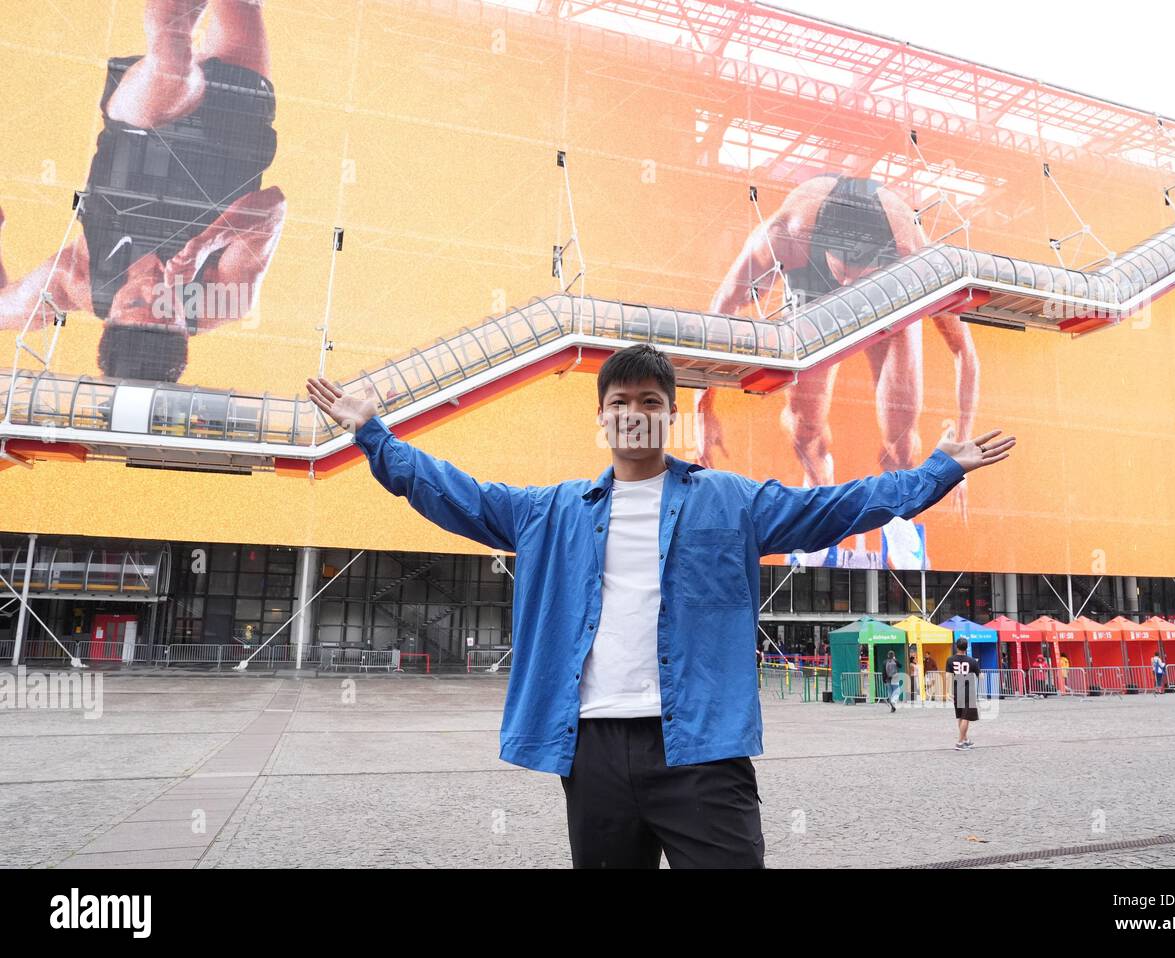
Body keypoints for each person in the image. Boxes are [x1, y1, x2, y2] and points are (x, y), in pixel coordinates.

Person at [307, 344, 1015, 869]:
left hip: (704, 750)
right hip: (593, 749)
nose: (636, 413)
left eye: (651, 402)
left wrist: (939, 470)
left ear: (669, 418)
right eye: (621, 402)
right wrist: (375, 436)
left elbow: (836, 506)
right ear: (603, 418)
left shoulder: (730, 500)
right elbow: (453, 494)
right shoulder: (549, 512)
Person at [694, 174, 981, 569]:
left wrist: (963, 444)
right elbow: (718, 315)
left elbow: (964, 352)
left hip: (886, 296)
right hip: (816, 291)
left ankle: (898, 512)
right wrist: (703, 412)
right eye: (843, 273)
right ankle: (817, 494)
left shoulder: (913, 258)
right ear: (824, 250)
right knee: (803, 426)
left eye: (856, 277)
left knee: (900, 430)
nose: (849, 287)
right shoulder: (784, 236)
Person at [0, 0, 285, 382]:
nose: (152, 288)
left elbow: (3, 310)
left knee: (171, 62)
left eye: (134, 301)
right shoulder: (222, 301)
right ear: (185, 326)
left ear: (109, 316)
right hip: (232, 132)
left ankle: (173, 47)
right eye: (167, 307)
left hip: (140, 131)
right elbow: (273, 207)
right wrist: (205, 244)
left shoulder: (77, 282)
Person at [946, 637, 981, 750]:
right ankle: (960, 742)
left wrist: (947, 691)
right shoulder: (972, 661)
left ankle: (965, 739)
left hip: (957, 689)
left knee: (961, 716)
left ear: (957, 646)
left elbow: (948, 676)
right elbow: (980, 676)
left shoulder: (950, 659)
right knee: (966, 717)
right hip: (968, 691)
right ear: (966, 647)